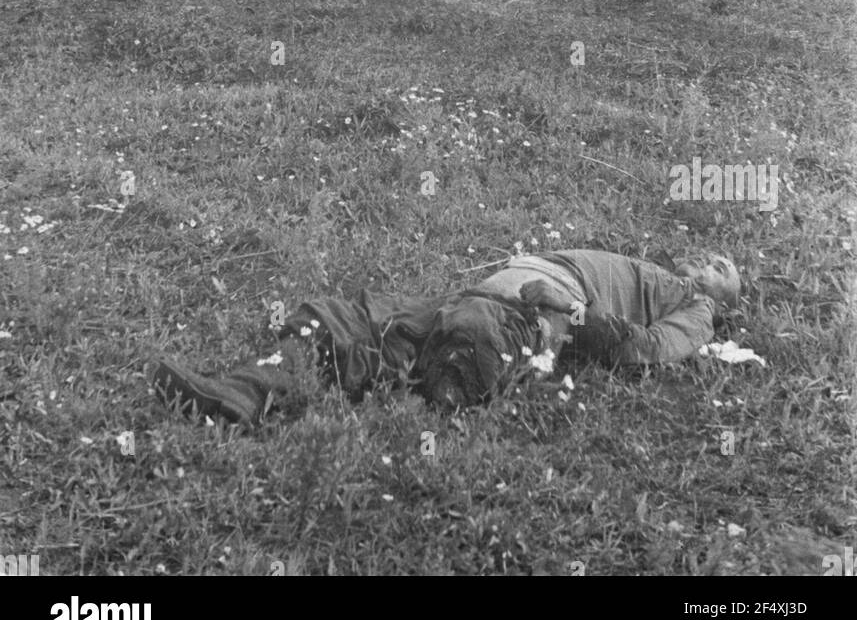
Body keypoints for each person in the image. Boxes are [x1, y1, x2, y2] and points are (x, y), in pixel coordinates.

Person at [152, 249, 741, 424]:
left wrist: (576, 316)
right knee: (339, 314)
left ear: (720, 299)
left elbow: (647, 351)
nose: (705, 261)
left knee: (467, 340)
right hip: (476, 295)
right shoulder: (649, 270)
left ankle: (421, 383)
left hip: (527, 317)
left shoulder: (694, 310)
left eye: (721, 266)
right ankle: (243, 392)